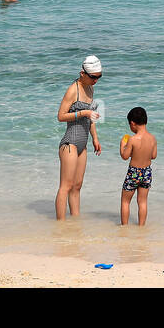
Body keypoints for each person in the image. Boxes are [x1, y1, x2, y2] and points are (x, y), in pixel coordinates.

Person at [55, 56, 103, 220]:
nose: (96, 80)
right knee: (65, 186)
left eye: (99, 76)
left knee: (77, 186)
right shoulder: (73, 89)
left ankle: (75, 224)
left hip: (83, 145)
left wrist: (95, 138)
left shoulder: (90, 89)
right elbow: (60, 116)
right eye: (93, 77)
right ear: (83, 73)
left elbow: (92, 118)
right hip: (70, 143)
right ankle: (60, 227)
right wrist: (83, 112)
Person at [119, 107, 156, 225]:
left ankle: (124, 227)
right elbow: (154, 156)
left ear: (132, 123)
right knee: (143, 201)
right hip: (147, 172)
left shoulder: (132, 140)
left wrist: (122, 145)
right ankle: (141, 227)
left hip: (134, 172)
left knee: (125, 201)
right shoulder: (152, 139)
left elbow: (125, 156)